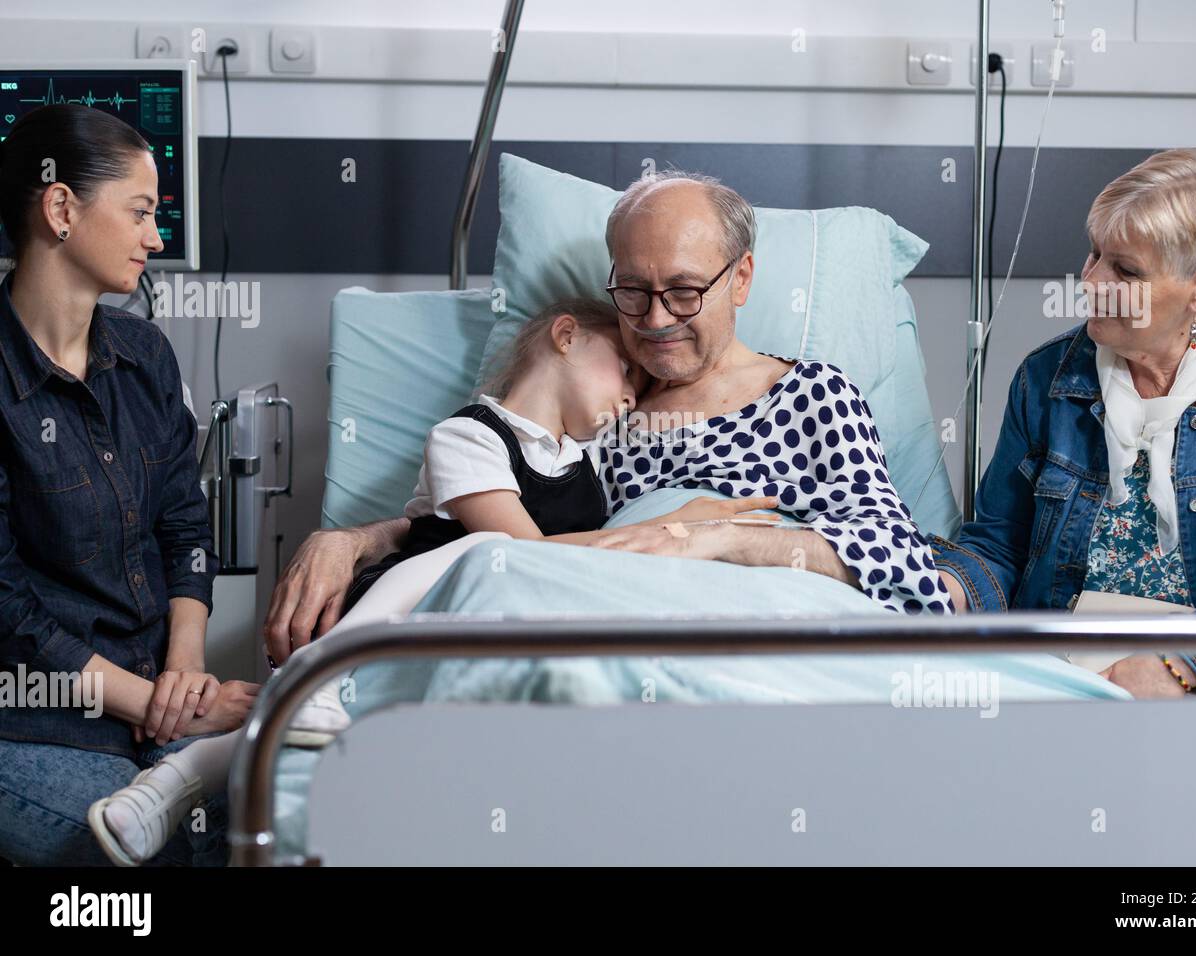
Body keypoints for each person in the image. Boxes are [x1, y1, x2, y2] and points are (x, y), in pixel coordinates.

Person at [87, 295, 778, 865]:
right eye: (626, 369)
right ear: (566, 337)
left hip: (489, 628)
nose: (632, 395)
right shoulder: (469, 436)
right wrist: (667, 527)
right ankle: (316, 681)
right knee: (480, 556)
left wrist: (690, 524)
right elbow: (517, 551)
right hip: (407, 607)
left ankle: (183, 775)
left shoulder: (592, 458)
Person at [262, 169, 954, 661]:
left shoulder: (814, 397)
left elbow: (908, 571)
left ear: (741, 279)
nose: (654, 322)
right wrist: (357, 540)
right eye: (632, 291)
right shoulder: (593, 423)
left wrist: (723, 542)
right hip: (599, 640)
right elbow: (503, 530)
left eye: (684, 292)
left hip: (760, 637)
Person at [930, 148, 1196, 698]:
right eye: (1094, 254)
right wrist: (938, 591)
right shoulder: (1046, 378)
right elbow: (1000, 546)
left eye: (1125, 270)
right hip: (1063, 668)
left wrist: (1177, 666)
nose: (1090, 280)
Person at [0, 104, 256, 866]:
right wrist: (168, 709)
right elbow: (7, 610)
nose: (157, 237)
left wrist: (183, 671)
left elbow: (183, 523)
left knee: (273, 821)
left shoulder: (145, 355)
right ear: (60, 208)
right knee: (165, 859)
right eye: (142, 212)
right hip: (34, 716)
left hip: (159, 700)